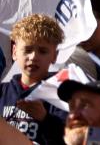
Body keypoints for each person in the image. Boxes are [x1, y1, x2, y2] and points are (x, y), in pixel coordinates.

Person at [0, 15, 68, 144]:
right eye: (28, 49)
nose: (33, 57)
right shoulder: (2, 91)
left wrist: (45, 118)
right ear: (14, 52)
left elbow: (70, 138)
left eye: (42, 51)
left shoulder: (61, 94)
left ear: (55, 55)